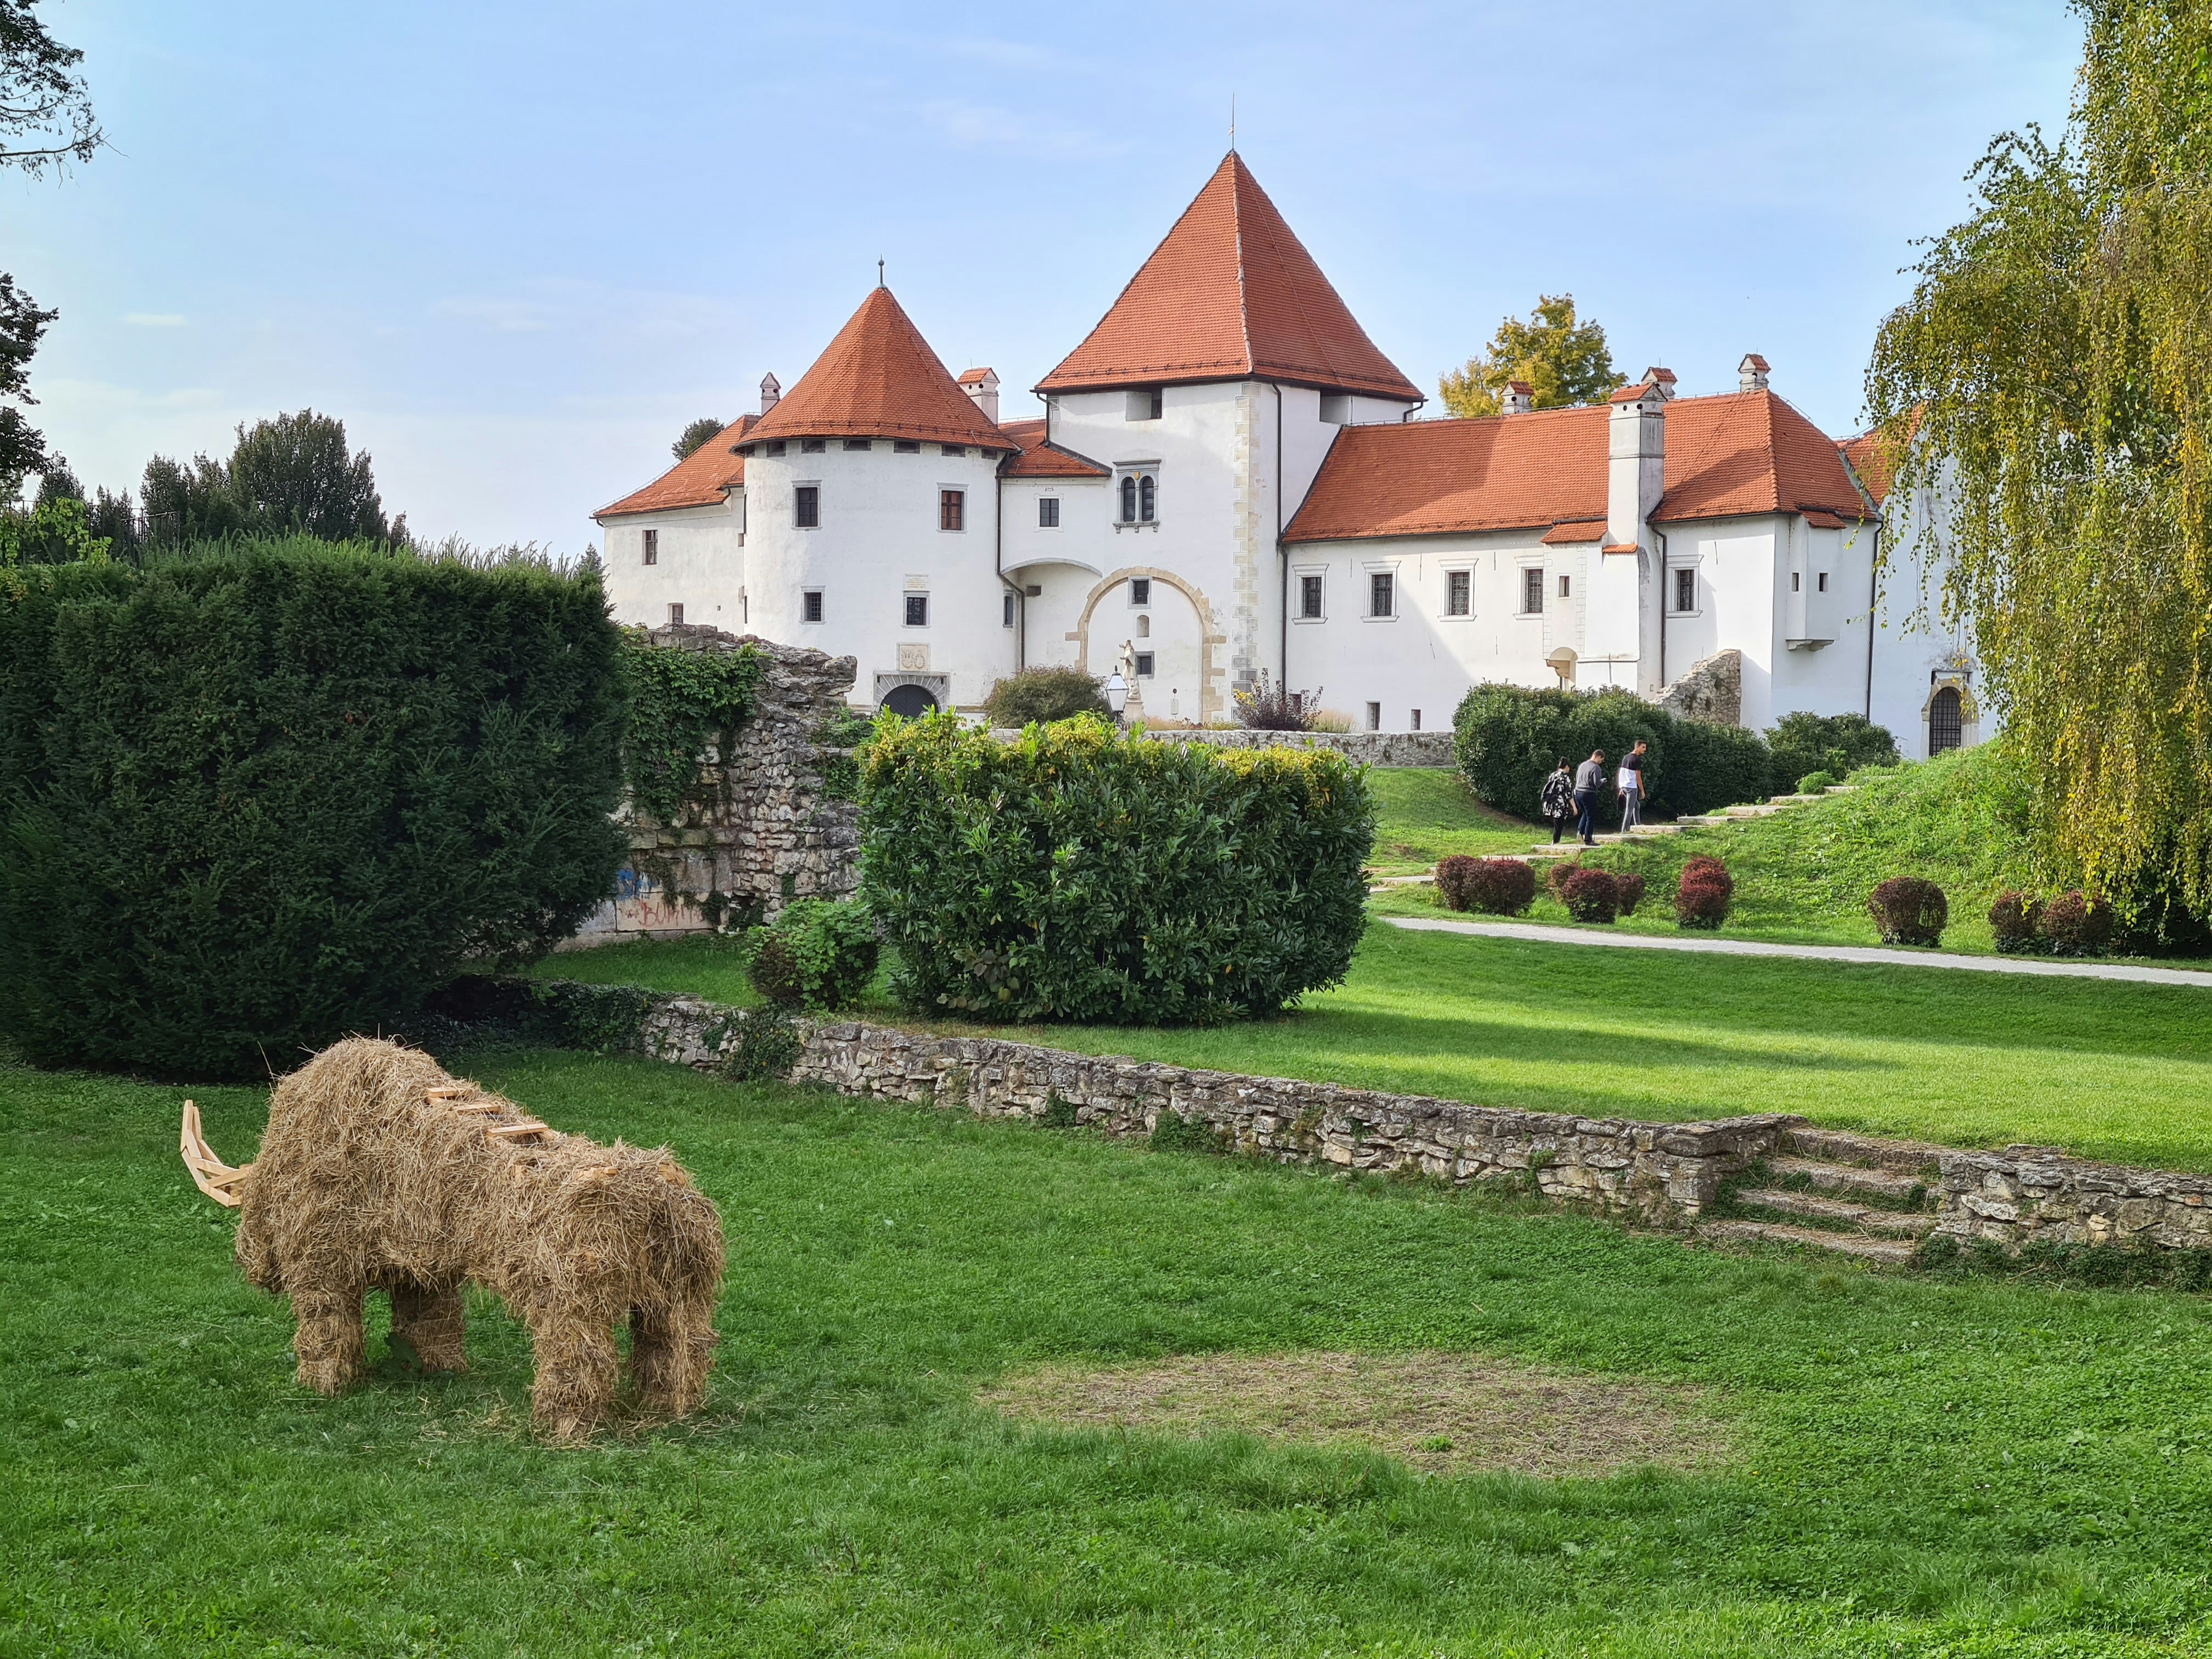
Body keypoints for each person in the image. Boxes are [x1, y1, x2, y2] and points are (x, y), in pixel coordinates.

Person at [1572, 749, 1606, 845]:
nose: (1601, 762)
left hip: (1578, 792)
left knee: (1585, 813)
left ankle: (1580, 832)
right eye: (1601, 760)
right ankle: (1588, 839)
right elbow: (1597, 783)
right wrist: (1603, 781)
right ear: (1598, 757)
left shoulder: (1582, 765)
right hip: (1588, 793)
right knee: (1591, 816)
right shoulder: (1596, 768)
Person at [1539, 758, 1576, 844]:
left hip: (1550, 803)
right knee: (1560, 823)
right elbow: (1569, 794)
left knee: (1556, 822)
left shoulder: (1553, 775)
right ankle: (1556, 841)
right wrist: (1574, 807)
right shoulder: (1565, 778)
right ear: (1567, 767)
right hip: (1560, 804)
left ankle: (1555, 840)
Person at [1617, 740, 1650, 832]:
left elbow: (1621, 773)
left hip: (1624, 786)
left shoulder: (1626, 757)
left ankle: (1638, 826)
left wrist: (1621, 787)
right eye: (1643, 747)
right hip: (1631, 788)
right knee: (1629, 809)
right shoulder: (1637, 760)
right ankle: (1624, 831)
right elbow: (1638, 778)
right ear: (1637, 747)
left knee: (1637, 805)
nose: (1645, 750)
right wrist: (1642, 791)